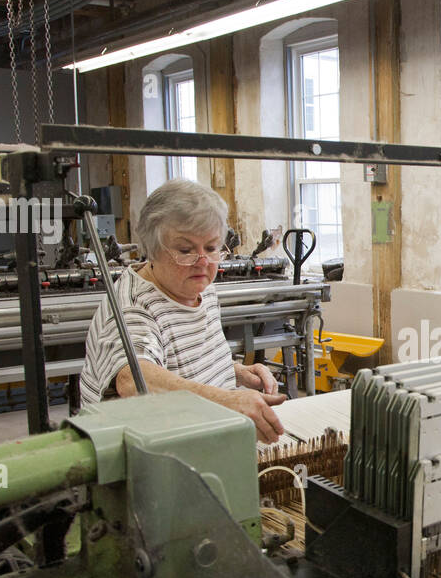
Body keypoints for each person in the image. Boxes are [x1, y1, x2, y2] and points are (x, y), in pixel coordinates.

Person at [79, 179, 286, 443]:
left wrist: (234, 371)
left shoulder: (197, 284)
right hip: (146, 453)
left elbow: (181, 360)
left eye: (212, 248)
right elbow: (133, 379)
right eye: (185, 250)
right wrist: (227, 400)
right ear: (152, 249)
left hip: (204, 433)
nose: (202, 262)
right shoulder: (135, 306)